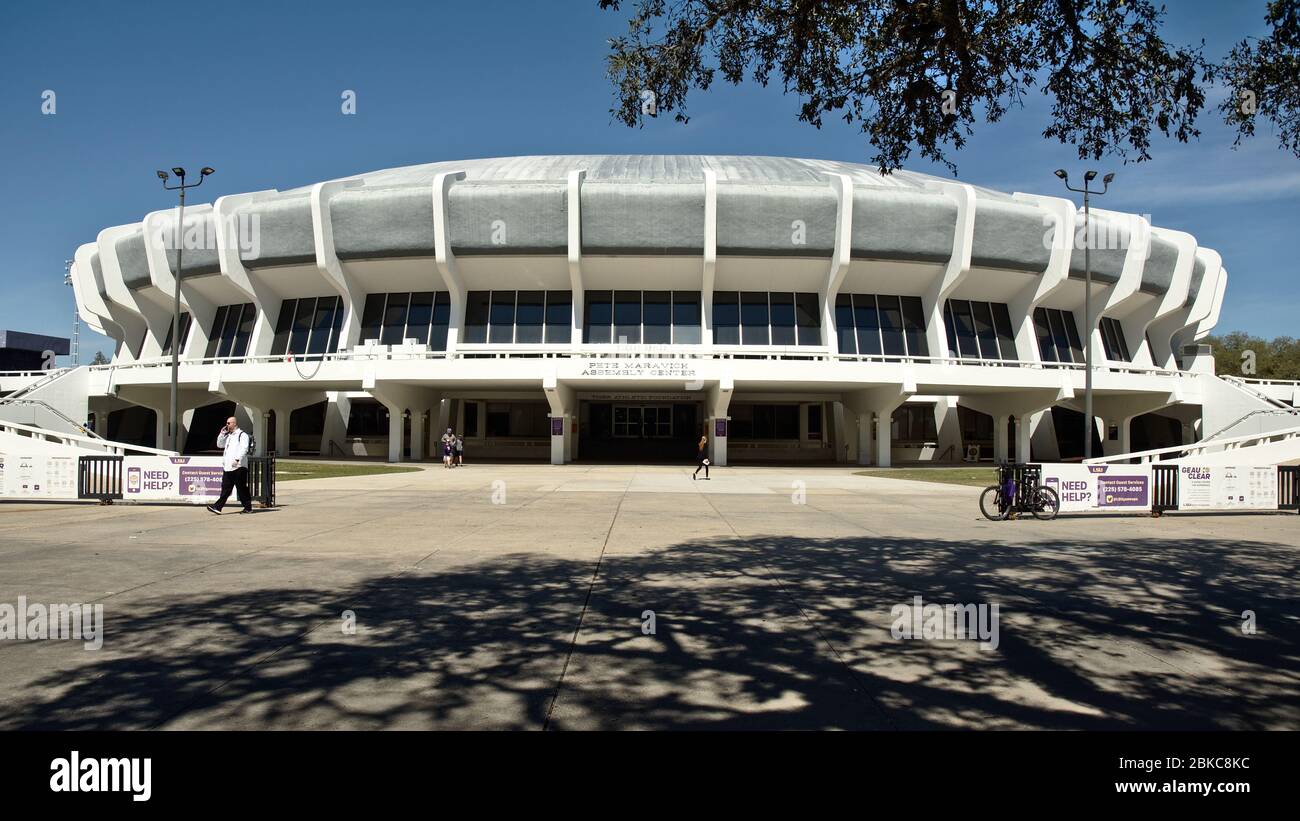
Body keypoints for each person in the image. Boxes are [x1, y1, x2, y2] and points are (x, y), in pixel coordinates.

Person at [208, 416, 252, 514]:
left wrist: (237, 459)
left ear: (234, 423)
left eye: (229, 423)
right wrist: (222, 433)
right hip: (228, 467)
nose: (227, 425)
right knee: (225, 488)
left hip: (239, 466)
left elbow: (244, 448)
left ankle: (248, 507)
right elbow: (219, 445)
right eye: (227, 423)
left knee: (241, 488)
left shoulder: (242, 435)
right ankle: (217, 507)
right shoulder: (229, 436)